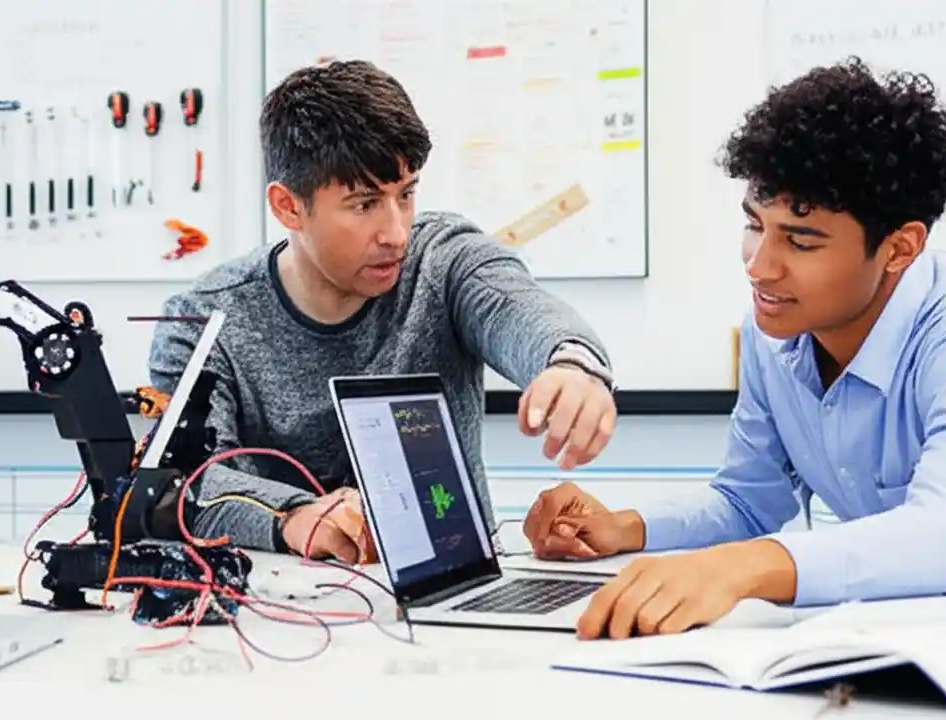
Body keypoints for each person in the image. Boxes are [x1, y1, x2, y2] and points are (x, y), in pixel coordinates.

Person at [523, 57, 946, 639]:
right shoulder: (772, 337)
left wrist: (742, 567)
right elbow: (749, 501)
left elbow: (938, 531)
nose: (758, 265)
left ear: (900, 248)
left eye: (799, 240)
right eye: (754, 225)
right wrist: (624, 528)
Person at [148, 60, 617, 563]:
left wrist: (573, 365)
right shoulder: (204, 322)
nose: (396, 232)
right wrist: (294, 517)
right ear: (288, 207)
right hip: (281, 614)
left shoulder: (444, 259)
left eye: (406, 194)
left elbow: (520, 310)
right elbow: (183, 486)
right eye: (365, 203)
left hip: (453, 601)